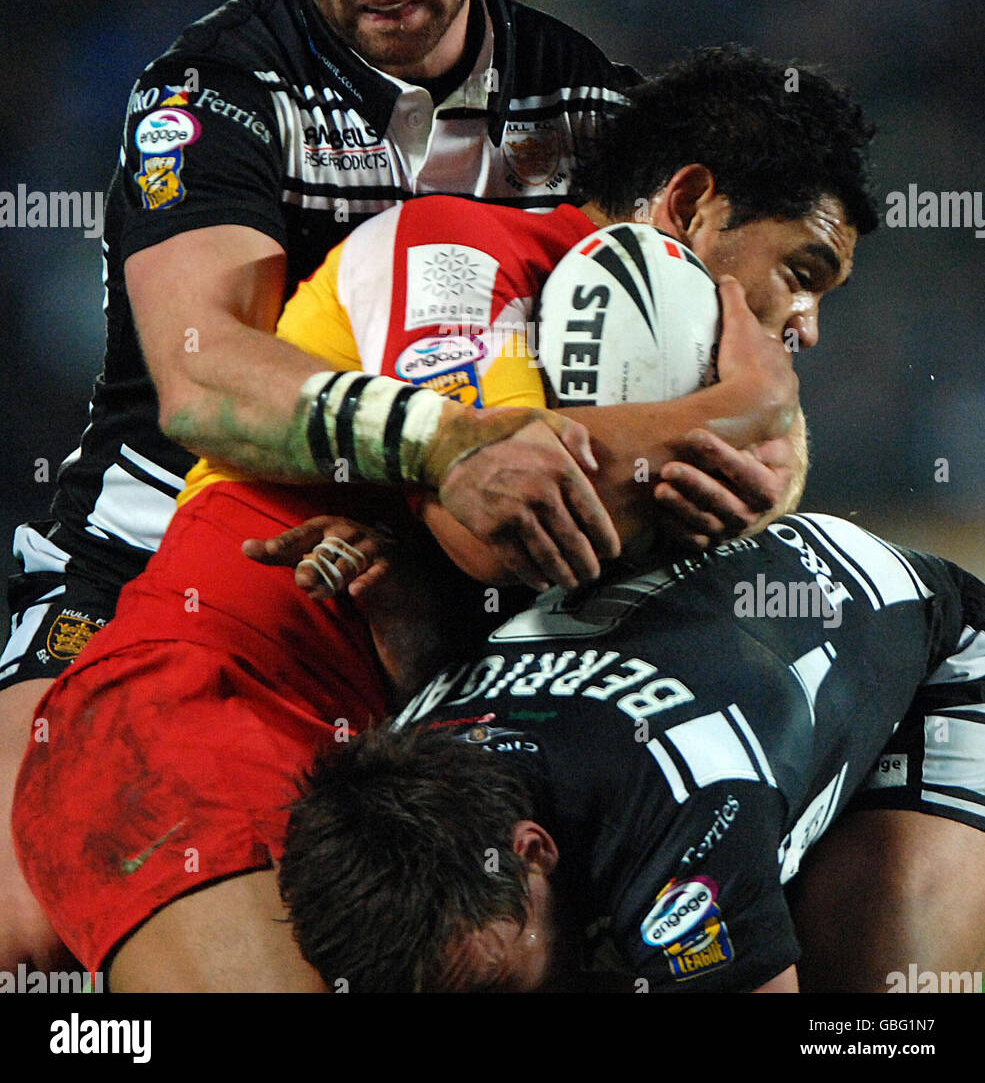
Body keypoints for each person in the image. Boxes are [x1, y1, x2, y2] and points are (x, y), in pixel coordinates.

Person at [4, 0, 768, 973]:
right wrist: (442, 441)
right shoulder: (212, 94)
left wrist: (740, 434)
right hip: (151, 561)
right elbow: (202, 376)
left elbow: (708, 330)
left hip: (455, 581)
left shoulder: (589, 109)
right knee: (29, 927)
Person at [12, 49, 879, 990]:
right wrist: (754, 404)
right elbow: (492, 513)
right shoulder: (459, 249)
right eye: (803, 270)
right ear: (688, 204)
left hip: (379, 787)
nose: (806, 325)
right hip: (206, 711)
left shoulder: (657, 387)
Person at [278, 512, 985, 994]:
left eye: (495, 988)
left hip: (930, 656)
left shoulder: (685, 807)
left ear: (532, 851)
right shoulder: (396, 777)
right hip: (722, 635)